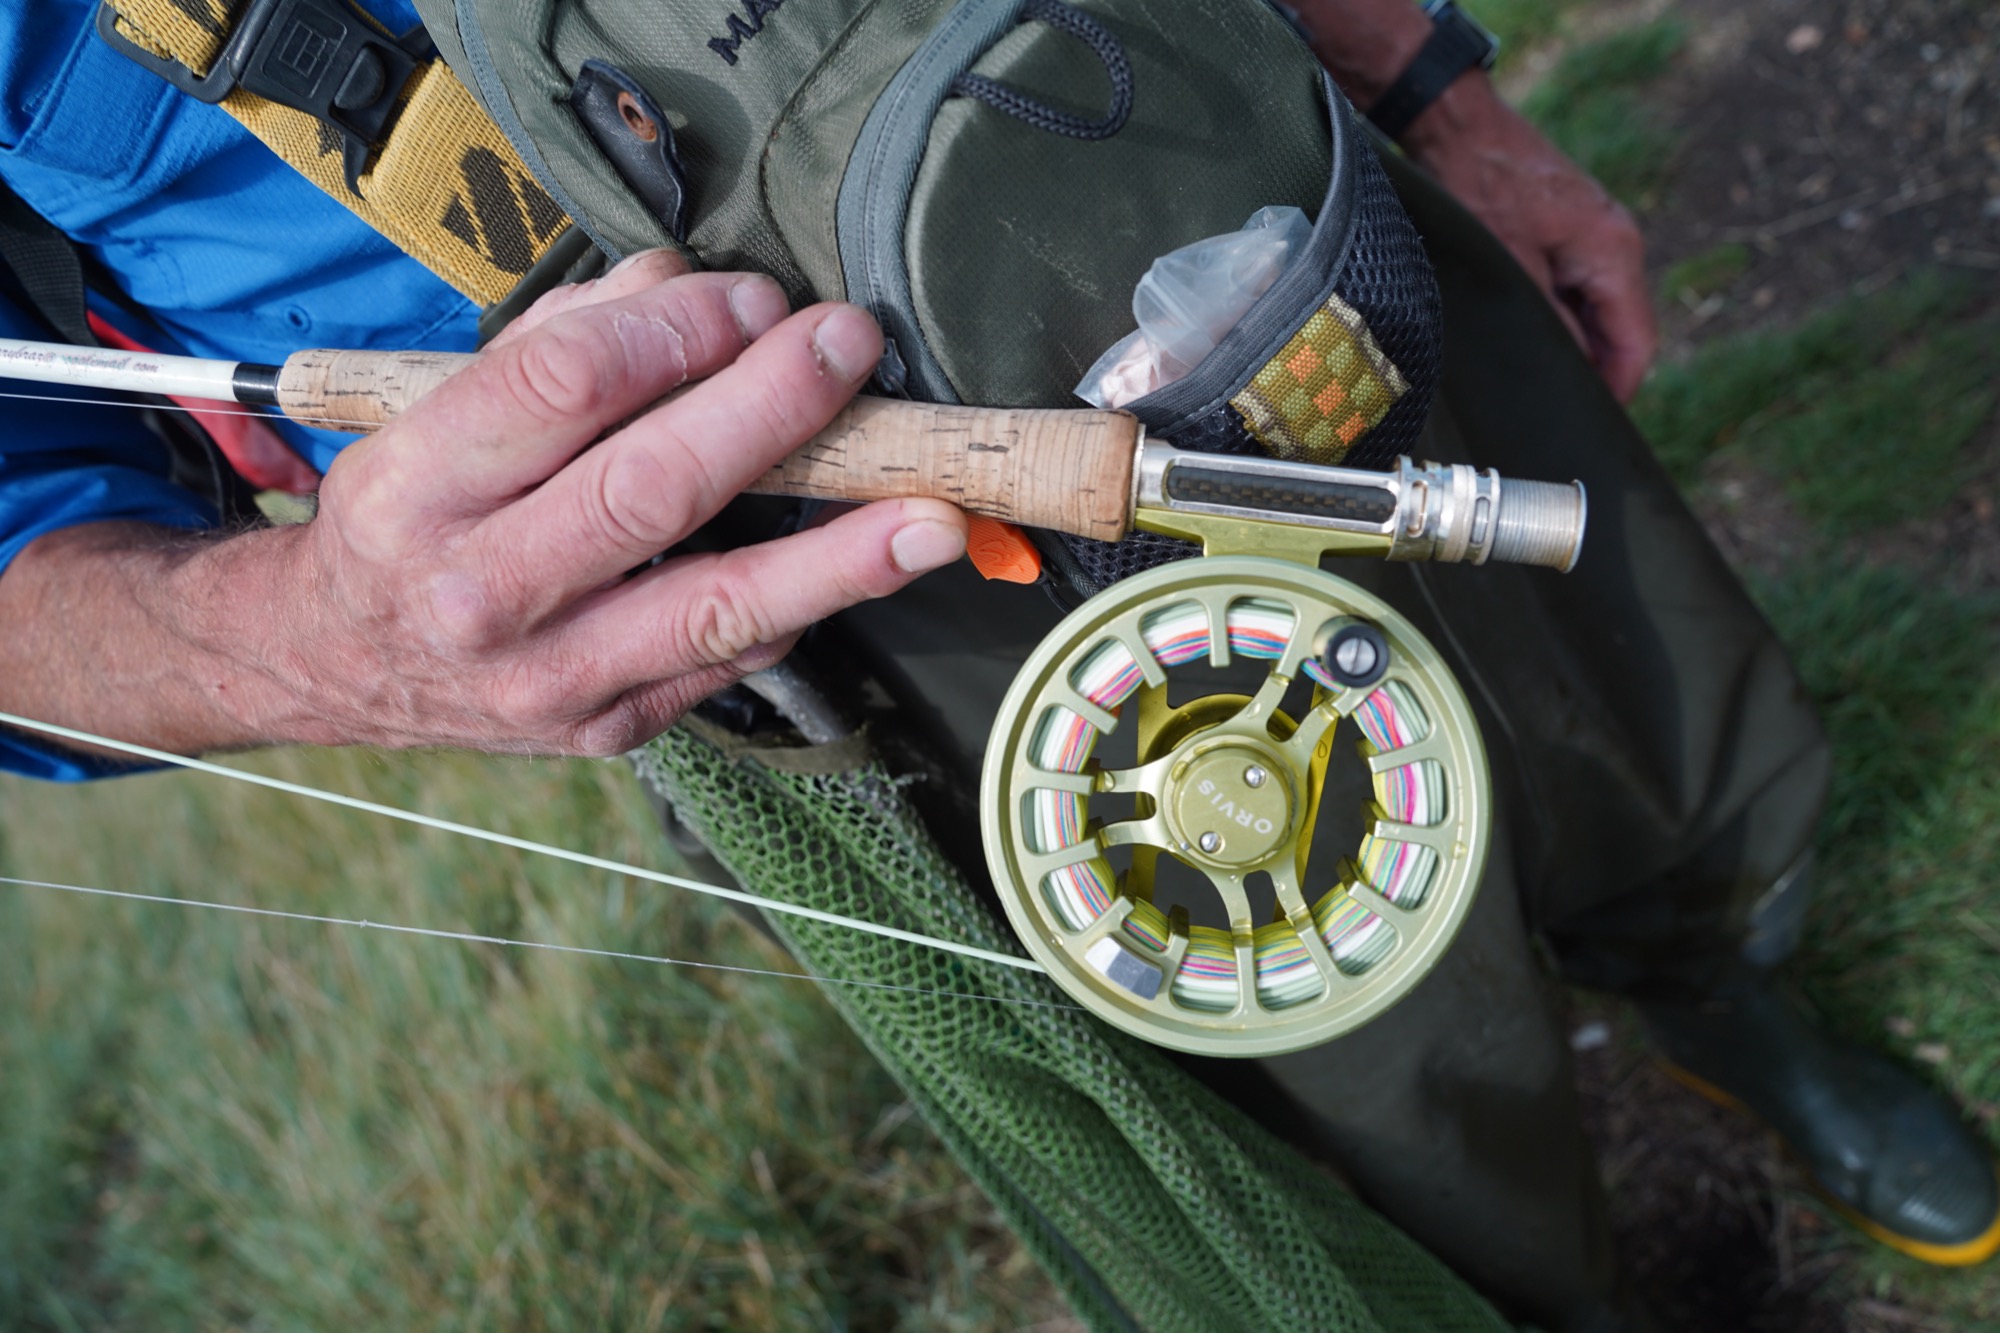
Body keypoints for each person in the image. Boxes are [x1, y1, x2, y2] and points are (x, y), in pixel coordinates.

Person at [0, 0, 1990, 1327]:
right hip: (754, 561)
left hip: (1157, 156)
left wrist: (1424, 84)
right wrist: (314, 643)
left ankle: (1724, 977)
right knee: (1317, 1035)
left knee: (1604, 686)